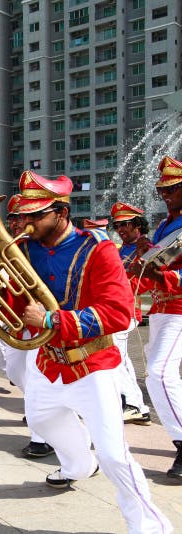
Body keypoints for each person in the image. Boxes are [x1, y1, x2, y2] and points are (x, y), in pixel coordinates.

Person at [0, 170, 170, 533]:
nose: (25, 223)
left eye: (35, 216)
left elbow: (118, 313)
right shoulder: (22, 249)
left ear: (61, 212)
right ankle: (77, 466)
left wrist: (53, 320)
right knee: (41, 421)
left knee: (115, 455)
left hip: (93, 364)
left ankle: (152, 527)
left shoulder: (98, 250)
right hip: (47, 362)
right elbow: (15, 305)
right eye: (22, 215)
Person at [130, 155, 182, 479]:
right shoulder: (165, 225)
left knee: (159, 375)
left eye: (173, 189)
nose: (166, 195)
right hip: (162, 310)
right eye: (163, 189)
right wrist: (143, 267)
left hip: (179, 308)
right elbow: (159, 271)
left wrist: (162, 276)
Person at [0, 194, 54, 458]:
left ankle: (41, 437)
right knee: (15, 369)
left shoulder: (41, 247)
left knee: (35, 374)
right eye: (13, 219)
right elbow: (10, 293)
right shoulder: (13, 248)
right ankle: (42, 410)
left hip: (47, 323)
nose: (18, 223)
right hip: (21, 323)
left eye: (23, 217)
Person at [110, 201, 151, 425]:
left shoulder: (146, 247)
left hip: (128, 309)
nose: (121, 229)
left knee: (117, 354)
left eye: (126, 224)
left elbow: (145, 284)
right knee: (120, 357)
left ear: (138, 225)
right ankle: (134, 404)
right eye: (117, 225)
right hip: (115, 309)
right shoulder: (120, 249)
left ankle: (135, 404)